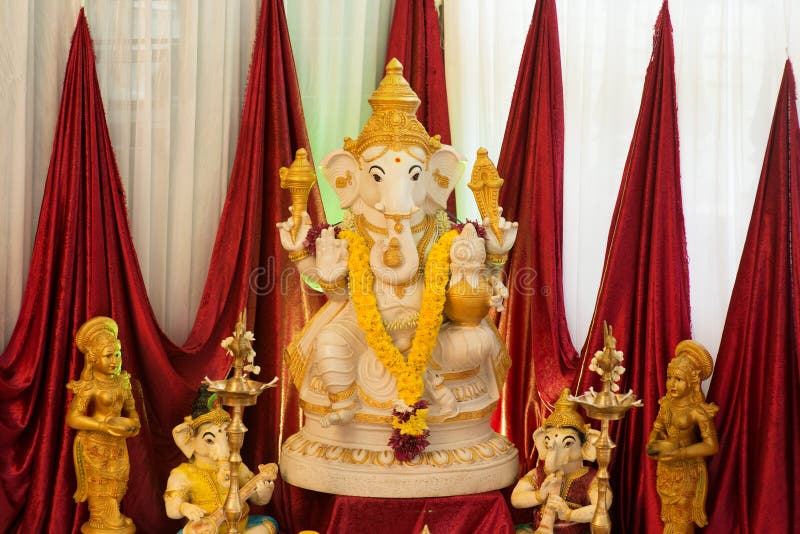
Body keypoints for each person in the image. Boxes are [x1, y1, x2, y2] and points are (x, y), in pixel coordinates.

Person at [66, 316, 140, 533]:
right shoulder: (90, 385)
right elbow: (73, 418)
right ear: (92, 359)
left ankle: (113, 513)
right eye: (108, 356)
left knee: (118, 479)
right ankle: (99, 518)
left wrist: (134, 424)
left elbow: (132, 410)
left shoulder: (123, 382)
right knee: (99, 482)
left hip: (118, 442)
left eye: (117, 354)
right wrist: (102, 426)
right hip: (95, 442)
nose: (114, 361)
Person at [646, 340, 719, 534]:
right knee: (668, 518)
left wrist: (681, 452)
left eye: (678, 379)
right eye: (669, 378)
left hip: (688, 470)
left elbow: (712, 446)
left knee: (682, 522)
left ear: (692, 382)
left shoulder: (697, 412)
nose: (671, 384)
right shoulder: (666, 405)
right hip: (666, 470)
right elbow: (657, 427)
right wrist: (653, 443)